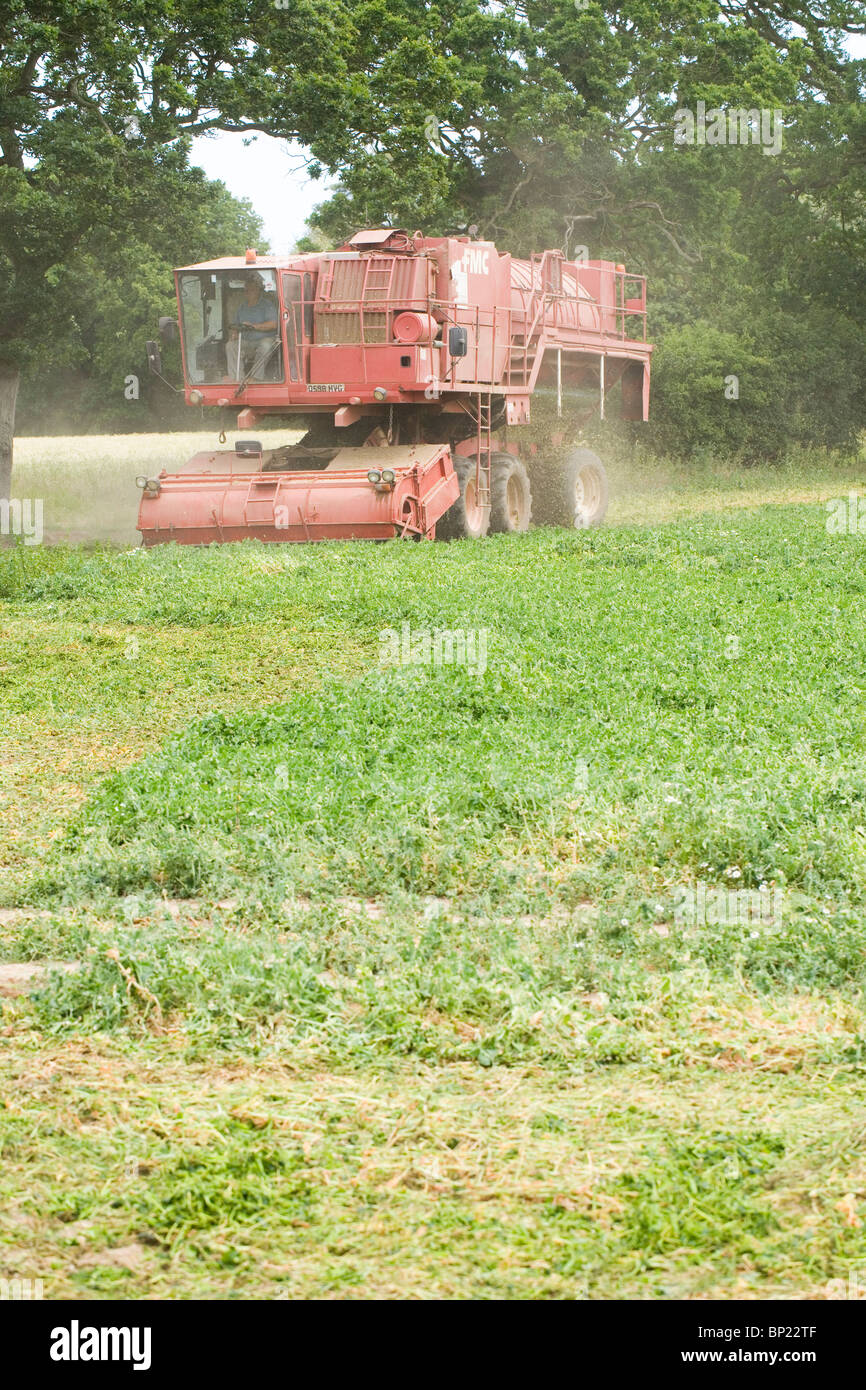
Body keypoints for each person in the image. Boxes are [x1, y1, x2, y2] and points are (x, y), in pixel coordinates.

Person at [228, 274, 279, 379]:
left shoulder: (267, 305)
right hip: (246, 340)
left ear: (257, 291)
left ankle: (256, 378)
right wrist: (234, 333)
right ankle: (237, 378)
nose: (246, 293)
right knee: (230, 346)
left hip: (265, 339)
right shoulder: (242, 307)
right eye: (245, 290)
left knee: (265, 346)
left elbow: (274, 324)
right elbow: (235, 326)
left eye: (250, 290)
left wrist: (254, 326)